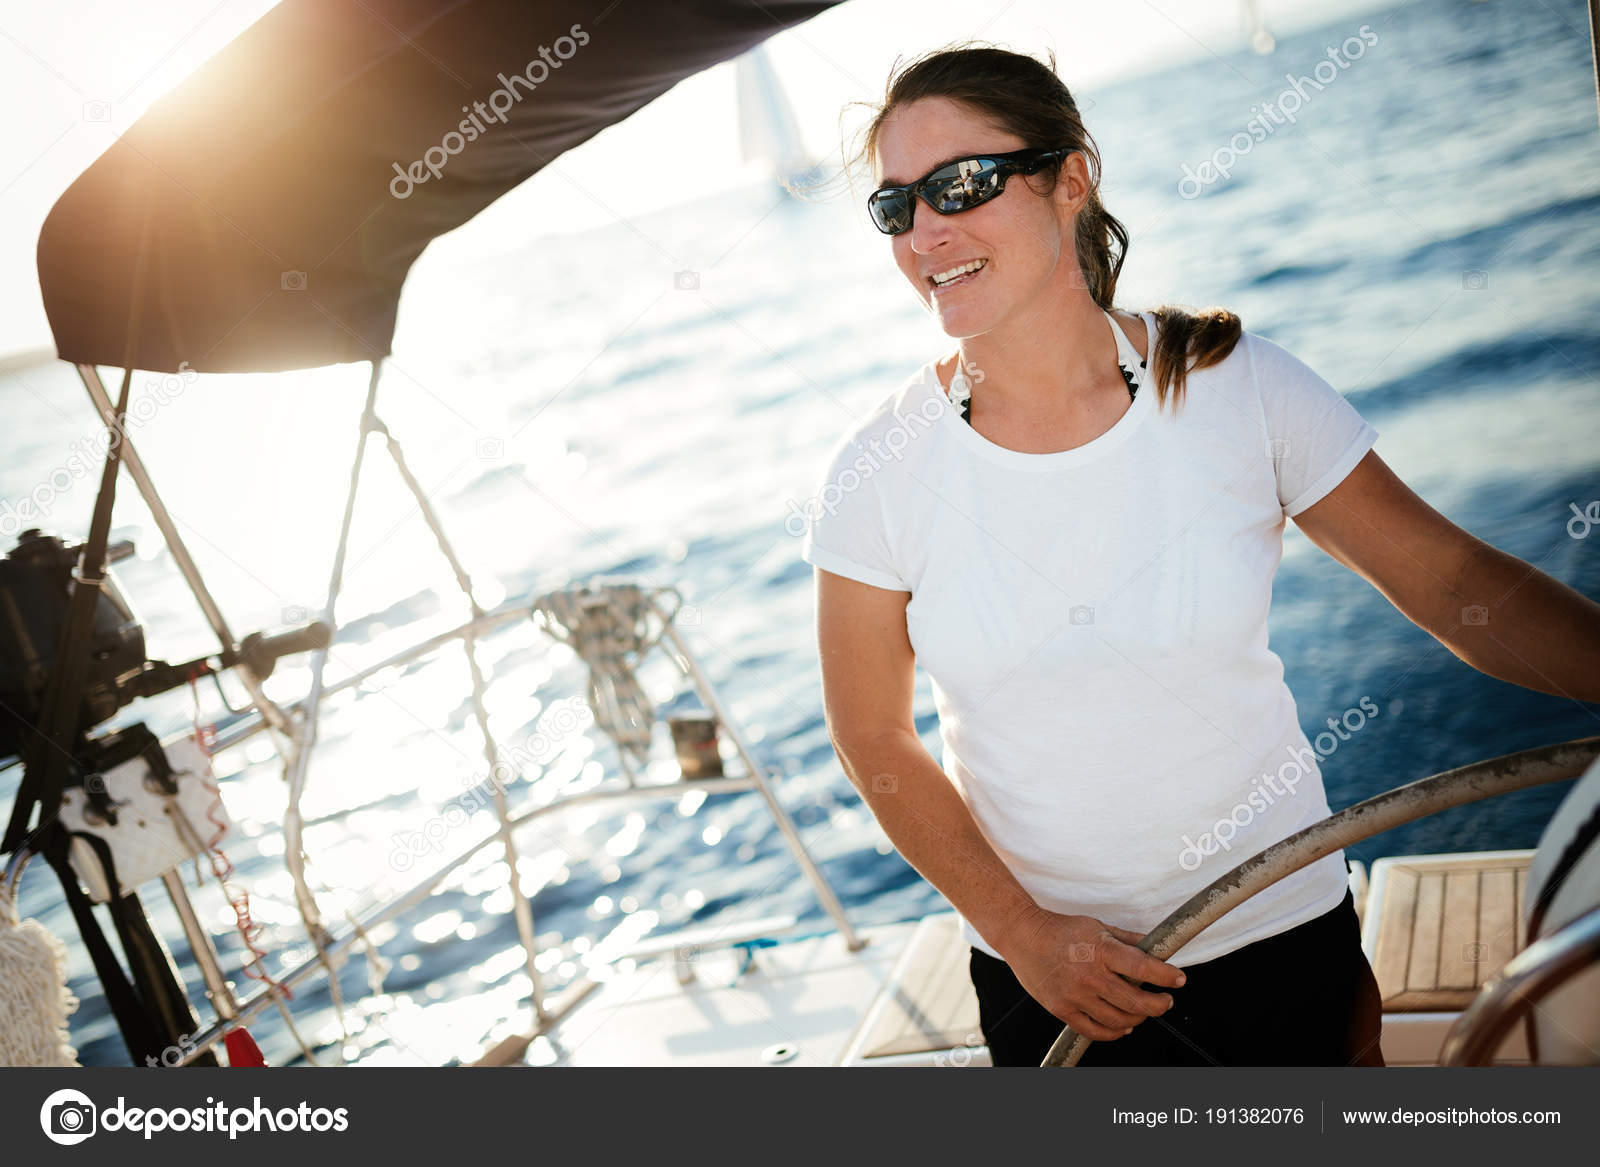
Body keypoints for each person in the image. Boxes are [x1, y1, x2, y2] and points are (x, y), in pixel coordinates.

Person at [799, 44, 1600, 1067]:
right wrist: (1026, 936)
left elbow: (1451, 587)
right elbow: (873, 738)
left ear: (1070, 177)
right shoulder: (877, 469)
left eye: (961, 184)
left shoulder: (1238, 388)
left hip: (1284, 931)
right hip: (1056, 985)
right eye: (895, 207)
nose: (926, 231)